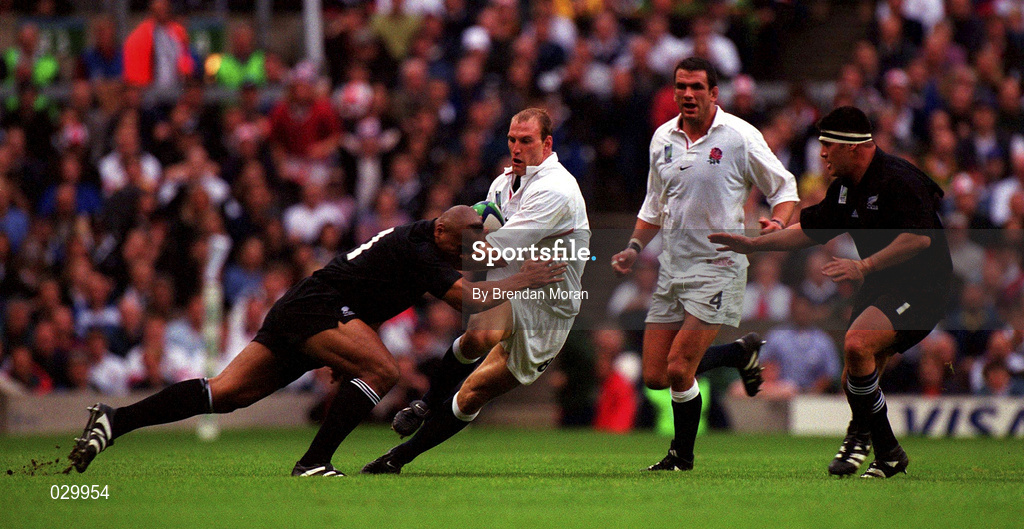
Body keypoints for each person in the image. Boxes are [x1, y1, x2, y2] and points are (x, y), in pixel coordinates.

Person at [68, 206, 566, 477]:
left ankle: (115, 420)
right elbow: (469, 298)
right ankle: (313, 462)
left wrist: (343, 347)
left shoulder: (427, 241)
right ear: (442, 232)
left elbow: (377, 289)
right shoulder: (423, 250)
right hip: (319, 307)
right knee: (384, 371)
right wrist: (526, 277)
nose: (467, 254)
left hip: (309, 305)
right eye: (465, 245)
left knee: (227, 393)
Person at [709, 106, 953, 478]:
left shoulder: (898, 179)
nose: (821, 153)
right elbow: (810, 230)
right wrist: (755, 244)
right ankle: (878, 445)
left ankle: (872, 443)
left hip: (923, 286)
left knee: (857, 344)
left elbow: (919, 239)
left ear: (853, 147)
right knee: (853, 378)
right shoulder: (844, 189)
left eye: (828, 145)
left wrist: (864, 265)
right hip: (883, 284)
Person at [361, 107, 590, 474]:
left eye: (526, 141)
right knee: (480, 334)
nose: (516, 148)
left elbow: (495, 247)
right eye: (512, 140)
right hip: (513, 286)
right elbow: (485, 243)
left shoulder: (557, 190)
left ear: (547, 144)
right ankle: (425, 404)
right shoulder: (501, 184)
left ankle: (398, 457)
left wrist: (439, 251)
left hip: (550, 307)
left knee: (472, 394)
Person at [610, 57, 800, 472]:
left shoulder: (739, 136)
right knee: (655, 375)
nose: (688, 94)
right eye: (681, 86)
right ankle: (737, 353)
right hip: (672, 267)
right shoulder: (662, 137)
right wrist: (634, 246)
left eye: (697, 87)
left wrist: (778, 221)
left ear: (714, 93)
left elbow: (784, 187)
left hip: (719, 265)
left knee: (680, 366)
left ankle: (681, 456)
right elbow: (653, 204)